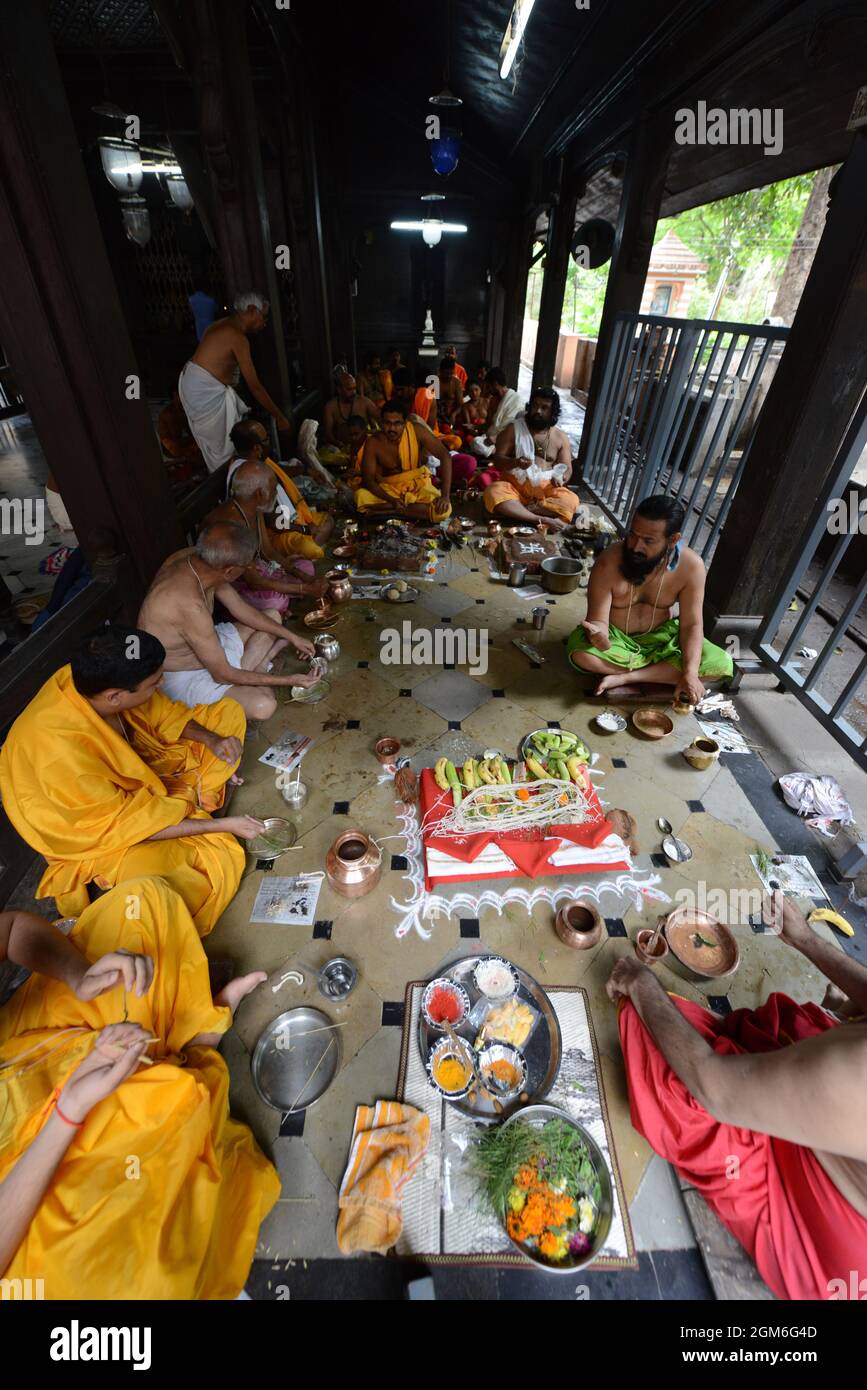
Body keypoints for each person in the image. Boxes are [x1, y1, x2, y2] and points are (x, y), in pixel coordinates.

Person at [0, 876, 279, 1299]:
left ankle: (182, 1042)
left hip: (26, 1055)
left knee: (144, 905)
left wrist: (79, 976)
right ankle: (197, 1049)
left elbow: (12, 932)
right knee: (104, 1271)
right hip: (20, 1174)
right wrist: (67, 1111)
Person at [609, 893, 867, 1301]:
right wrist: (805, 939)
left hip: (836, 1243)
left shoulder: (857, 1070)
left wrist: (642, 984)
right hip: (833, 1108)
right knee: (791, 1020)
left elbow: (713, 1086)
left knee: (670, 1085)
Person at [0, 626, 261, 935]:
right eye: (154, 682)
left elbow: (163, 715)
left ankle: (191, 798)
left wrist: (212, 740)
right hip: (95, 829)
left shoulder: (95, 677)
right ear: (115, 697)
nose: (162, 683)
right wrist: (222, 826)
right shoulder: (61, 760)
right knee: (182, 880)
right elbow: (127, 825)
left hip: (140, 767)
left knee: (227, 716)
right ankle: (192, 805)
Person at [138, 523, 318, 719]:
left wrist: (293, 637)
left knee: (273, 616)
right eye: (247, 566)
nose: (250, 569)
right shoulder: (189, 605)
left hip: (209, 646)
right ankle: (262, 663)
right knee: (263, 705)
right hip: (184, 674)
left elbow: (241, 609)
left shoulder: (198, 559)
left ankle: (254, 670)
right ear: (230, 572)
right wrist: (290, 680)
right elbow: (222, 674)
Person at [567, 494, 733, 702]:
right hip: (617, 639)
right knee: (581, 653)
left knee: (722, 663)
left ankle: (626, 677)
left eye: (648, 541)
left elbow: (691, 625)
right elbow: (598, 619)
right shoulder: (608, 562)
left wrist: (690, 672)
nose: (636, 546)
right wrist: (599, 636)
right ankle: (660, 674)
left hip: (661, 642)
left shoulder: (692, 567)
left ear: (673, 540)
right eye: (633, 535)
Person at [178, 290, 289, 473]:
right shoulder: (237, 337)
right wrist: (279, 416)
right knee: (225, 447)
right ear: (252, 310)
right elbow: (255, 387)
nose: (264, 323)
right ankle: (232, 484)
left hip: (196, 383)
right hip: (204, 390)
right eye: (264, 317)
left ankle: (233, 479)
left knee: (227, 444)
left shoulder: (220, 326)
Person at [205, 459, 329, 615]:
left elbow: (267, 551)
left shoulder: (253, 508)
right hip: (234, 587)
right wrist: (306, 588)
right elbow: (254, 581)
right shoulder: (229, 524)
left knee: (306, 566)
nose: (276, 494)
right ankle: (283, 601)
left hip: (259, 570)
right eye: (273, 489)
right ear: (259, 493)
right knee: (273, 603)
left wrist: (303, 576)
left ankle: (286, 597)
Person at [227, 419, 334, 561]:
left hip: (288, 521)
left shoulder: (254, 461)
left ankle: (304, 551)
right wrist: (306, 529)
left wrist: (306, 471)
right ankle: (302, 555)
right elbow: (275, 523)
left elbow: (279, 471)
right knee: (310, 547)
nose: (269, 441)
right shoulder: (251, 475)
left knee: (328, 521)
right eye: (266, 439)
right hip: (271, 536)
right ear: (257, 448)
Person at [482, 388, 579, 531]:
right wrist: (515, 462)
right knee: (493, 492)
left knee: (571, 500)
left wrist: (562, 477)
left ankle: (522, 511)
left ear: (553, 412)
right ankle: (539, 518)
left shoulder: (560, 437)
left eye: (544, 408)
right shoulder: (514, 429)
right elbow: (498, 460)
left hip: (545, 492)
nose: (538, 411)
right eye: (535, 406)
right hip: (515, 487)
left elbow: (567, 467)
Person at [355, 398, 452, 519]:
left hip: (417, 487)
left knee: (443, 511)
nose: (392, 428)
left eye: (397, 423)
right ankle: (406, 510)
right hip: (388, 490)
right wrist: (391, 499)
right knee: (360, 497)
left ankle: (388, 512)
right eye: (387, 423)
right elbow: (369, 479)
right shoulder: (373, 442)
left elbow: (445, 456)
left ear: (405, 422)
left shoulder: (417, 431)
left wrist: (445, 496)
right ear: (381, 422)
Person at [322, 372, 380, 449]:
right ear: (339, 389)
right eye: (349, 389)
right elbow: (328, 434)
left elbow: (382, 418)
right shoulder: (330, 407)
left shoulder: (364, 402)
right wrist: (339, 445)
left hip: (365, 447)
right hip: (342, 449)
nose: (354, 392)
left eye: (354, 388)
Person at [472, 367, 521, 456]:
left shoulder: (516, 399)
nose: (487, 390)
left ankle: (497, 452)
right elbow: (489, 423)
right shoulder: (493, 400)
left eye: (488, 386)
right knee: (476, 442)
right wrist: (475, 427)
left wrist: (496, 438)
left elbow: (512, 427)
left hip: (505, 440)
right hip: (490, 439)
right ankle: (495, 452)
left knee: (477, 444)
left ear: (495, 384)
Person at [158, 391, 202, 464]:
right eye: (179, 395)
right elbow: (168, 443)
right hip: (177, 450)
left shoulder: (188, 408)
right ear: (175, 396)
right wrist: (188, 451)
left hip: (191, 446)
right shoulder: (167, 415)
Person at [437, 355, 465, 428]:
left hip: (452, 416)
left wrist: (454, 414)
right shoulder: (435, 381)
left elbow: (460, 404)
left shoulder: (456, 382)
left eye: (451, 373)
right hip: (437, 417)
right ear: (440, 371)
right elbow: (430, 404)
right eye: (446, 373)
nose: (449, 376)